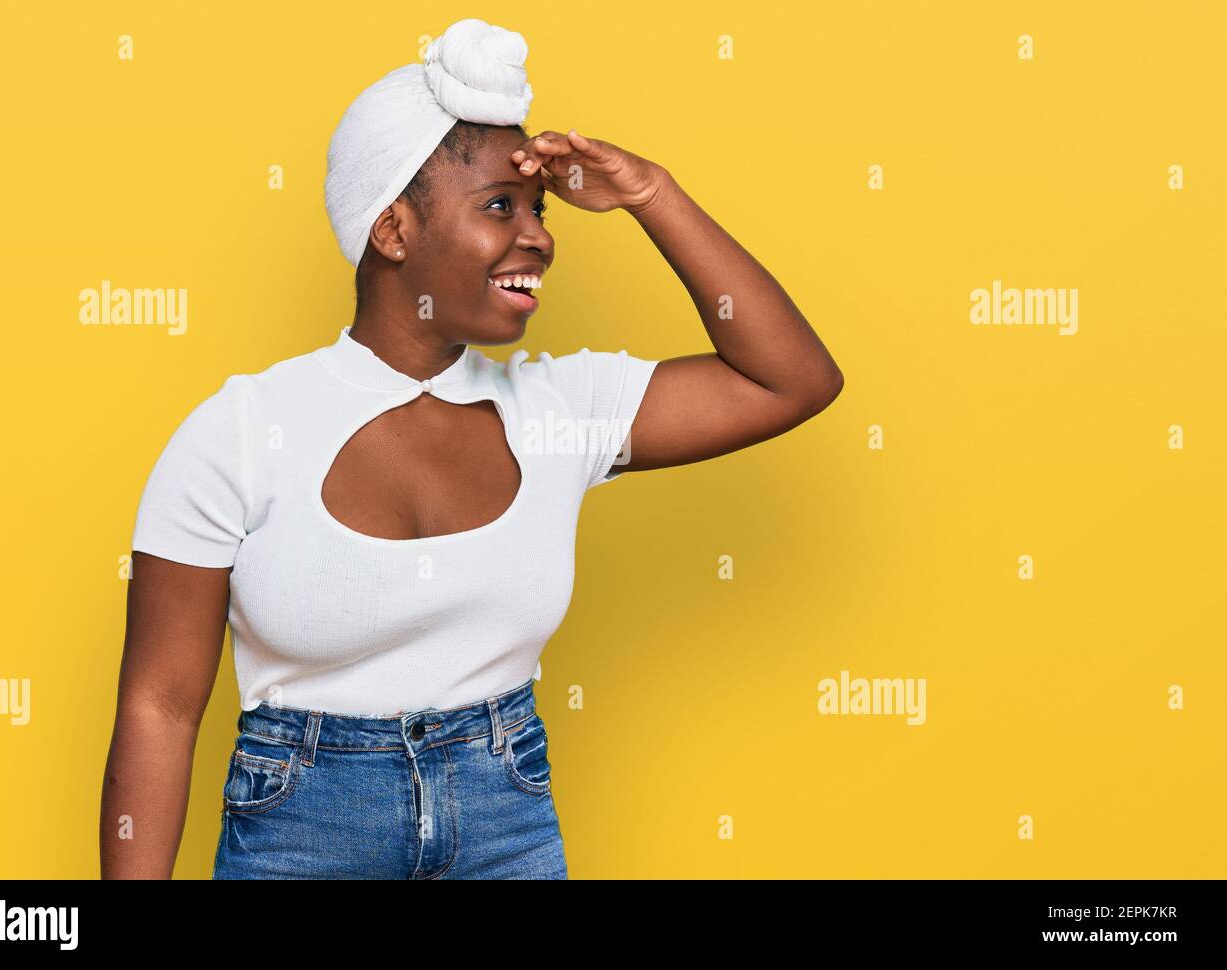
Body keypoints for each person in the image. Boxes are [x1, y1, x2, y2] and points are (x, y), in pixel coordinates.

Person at [100, 17, 843, 880]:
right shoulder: (239, 432)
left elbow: (792, 380)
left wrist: (652, 194)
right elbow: (159, 707)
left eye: (539, 208)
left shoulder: (563, 410)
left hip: (506, 821)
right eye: (500, 206)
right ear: (393, 230)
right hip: (300, 832)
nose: (539, 236)